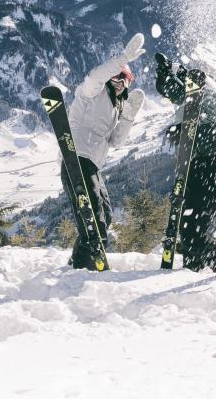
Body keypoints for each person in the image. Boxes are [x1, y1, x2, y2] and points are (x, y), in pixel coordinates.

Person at [64, 33, 146, 270]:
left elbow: (116, 140)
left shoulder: (114, 107)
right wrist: (123, 59)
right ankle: (85, 264)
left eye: (126, 80)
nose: (121, 83)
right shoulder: (92, 92)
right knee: (93, 216)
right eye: (118, 78)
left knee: (105, 216)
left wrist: (128, 116)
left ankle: (78, 260)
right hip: (77, 156)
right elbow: (95, 76)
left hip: (92, 164)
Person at [155, 52, 216, 272]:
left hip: (213, 165)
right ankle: (194, 269)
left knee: (190, 228)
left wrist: (164, 79)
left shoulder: (202, 87)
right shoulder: (201, 91)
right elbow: (180, 93)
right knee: (190, 227)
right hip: (205, 166)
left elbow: (178, 91)